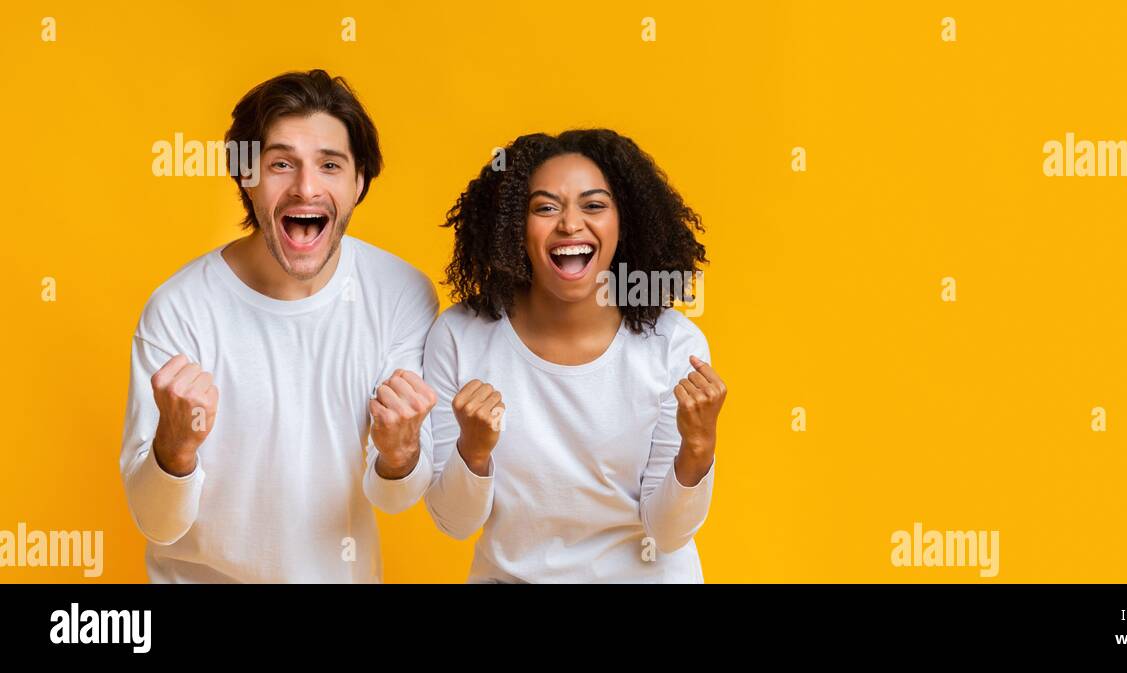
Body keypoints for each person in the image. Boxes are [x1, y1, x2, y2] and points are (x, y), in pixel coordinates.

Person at [120, 70, 439, 582]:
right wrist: (173, 449)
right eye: (281, 164)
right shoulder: (179, 309)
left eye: (330, 165)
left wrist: (401, 453)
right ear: (247, 178)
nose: (306, 188)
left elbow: (397, 499)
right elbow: (156, 523)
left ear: (358, 183)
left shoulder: (401, 294)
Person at [423, 129, 727, 582]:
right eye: (545, 207)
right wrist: (474, 450)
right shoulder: (460, 336)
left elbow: (667, 534)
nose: (569, 224)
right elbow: (455, 522)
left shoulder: (673, 345)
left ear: (625, 222)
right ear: (512, 228)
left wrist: (699, 446)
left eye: (594, 205)